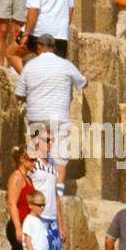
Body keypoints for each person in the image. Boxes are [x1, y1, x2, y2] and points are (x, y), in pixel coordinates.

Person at [15, 33, 86, 189]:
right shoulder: (65, 64)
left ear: (39, 47)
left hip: (36, 115)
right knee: (59, 155)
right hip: (58, 115)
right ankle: (58, 193)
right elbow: (83, 83)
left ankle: (38, 190)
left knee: (38, 153)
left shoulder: (30, 66)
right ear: (54, 48)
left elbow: (19, 94)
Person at [27, 131, 66, 250]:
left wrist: (61, 225)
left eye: (51, 141)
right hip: (39, 219)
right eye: (46, 140)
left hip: (52, 221)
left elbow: (55, 196)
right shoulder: (32, 163)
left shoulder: (51, 163)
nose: (50, 144)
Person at [5, 145, 34, 250]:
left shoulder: (27, 178)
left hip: (27, 226)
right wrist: (18, 228)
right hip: (19, 225)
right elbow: (12, 203)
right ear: (22, 159)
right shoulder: (16, 178)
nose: (34, 163)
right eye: (31, 160)